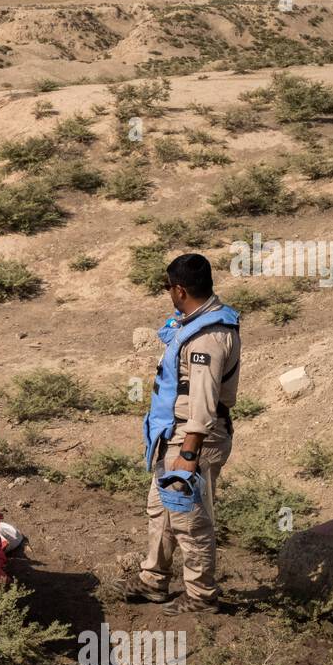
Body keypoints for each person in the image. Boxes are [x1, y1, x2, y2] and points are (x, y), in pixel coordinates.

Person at [116, 253, 241, 614]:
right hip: (176, 435)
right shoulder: (196, 322)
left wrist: (189, 454)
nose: (168, 293)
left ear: (180, 289)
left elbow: (202, 403)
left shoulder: (206, 340)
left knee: (188, 517)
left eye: (168, 287)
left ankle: (201, 595)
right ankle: (154, 579)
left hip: (194, 438)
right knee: (162, 510)